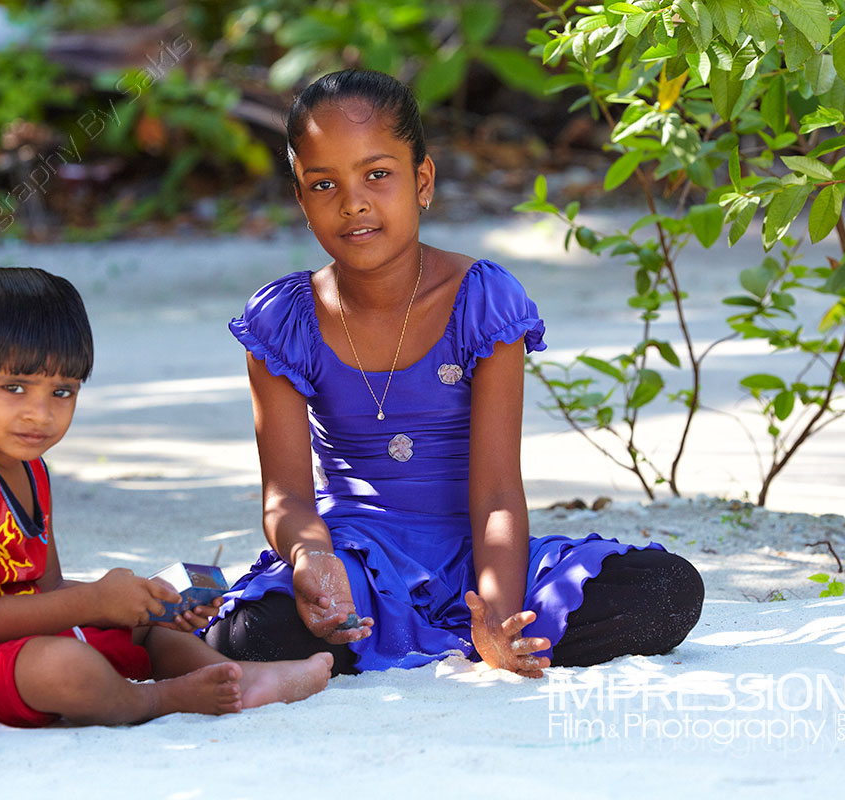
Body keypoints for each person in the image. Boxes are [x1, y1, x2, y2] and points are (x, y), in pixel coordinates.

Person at [203, 69, 704, 678]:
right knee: (249, 634)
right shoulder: (285, 321)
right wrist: (310, 557)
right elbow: (286, 497)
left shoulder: (481, 301)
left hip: (477, 555)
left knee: (667, 590)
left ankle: (462, 637)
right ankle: (389, 633)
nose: (353, 201)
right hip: (354, 561)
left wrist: (496, 617)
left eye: (377, 175)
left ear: (423, 181)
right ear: (301, 197)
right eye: (323, 183)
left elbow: (496, 495)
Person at [0, 267, 332, 727]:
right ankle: (162, 699)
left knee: (141, 626)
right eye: (14, 388)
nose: (40, 413)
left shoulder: (30, 467)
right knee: (67, 668)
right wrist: (97, 601)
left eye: (61, 392)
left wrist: (143, 601)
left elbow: (46, 590)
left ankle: (236, 677)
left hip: (7, 641)